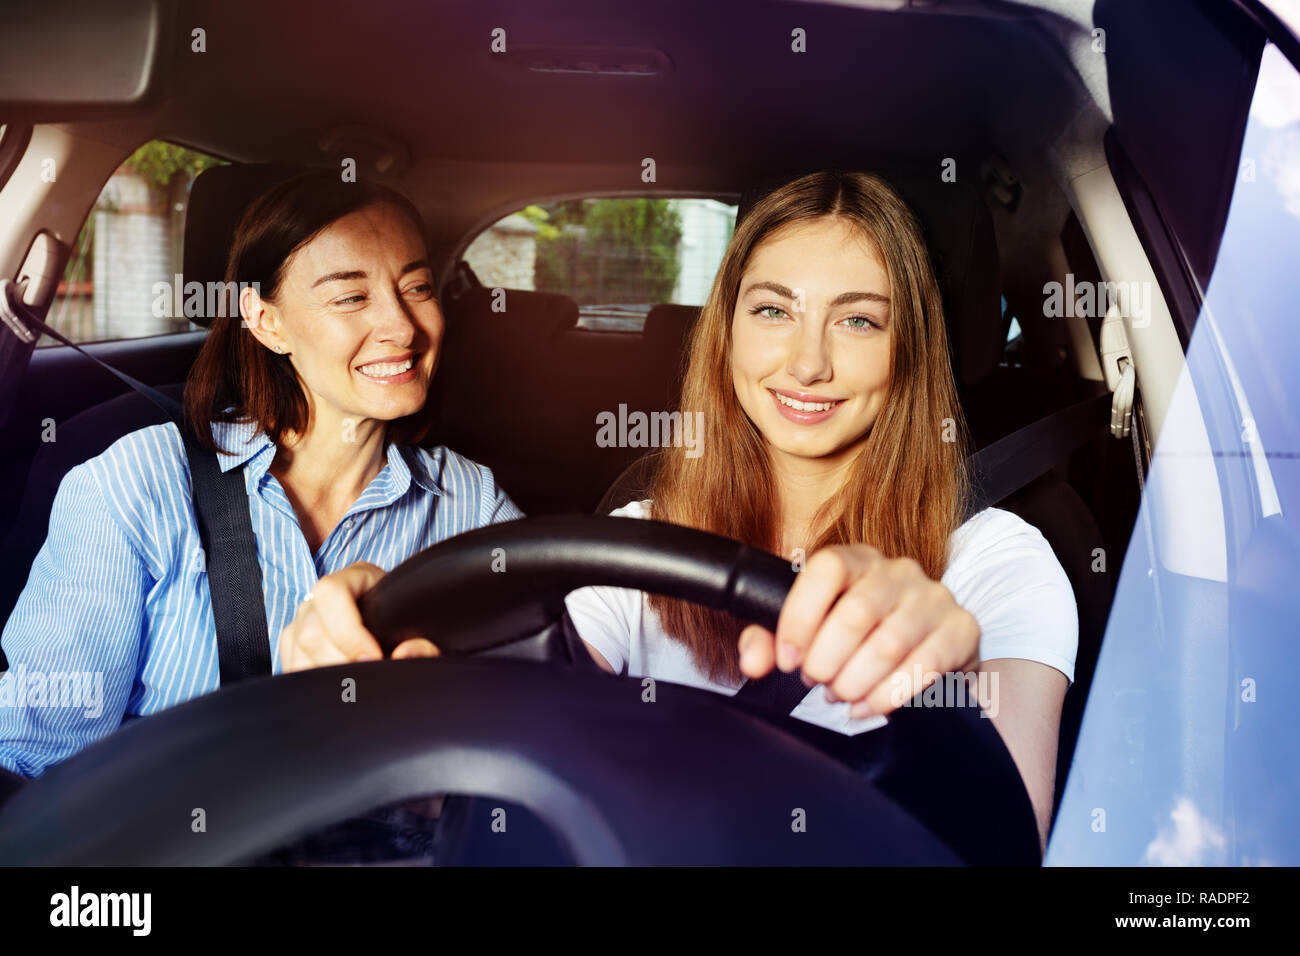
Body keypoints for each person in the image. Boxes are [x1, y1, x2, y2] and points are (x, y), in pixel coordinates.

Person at [280, 171, 1078, 853]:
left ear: (910, 347)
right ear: (724, 332)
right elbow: (501, 782)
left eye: (859, 320)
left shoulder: (1000, 565)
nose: (808, 361)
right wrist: (386, 678)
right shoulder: (635, 544)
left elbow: (1006, 841)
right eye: (773, 311)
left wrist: (944, 677)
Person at [0, 171, 520, 786]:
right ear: (265, 320)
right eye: (351, 297)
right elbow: (32, 770)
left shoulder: (474, 505)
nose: (403, 327)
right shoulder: (136, 486)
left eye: (418, 287)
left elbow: (527, 737)